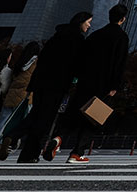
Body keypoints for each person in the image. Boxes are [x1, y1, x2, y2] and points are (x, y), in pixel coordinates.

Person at [16, 12, 91, 163]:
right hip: (57, 83)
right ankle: (30, 152)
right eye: (88, 22)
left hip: (40, 82)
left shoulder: (55, 37)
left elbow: (42, 59)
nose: (89, 25)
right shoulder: (77, 39)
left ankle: (15, 138)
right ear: (80, 22)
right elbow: (77, 64)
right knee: (45, 118)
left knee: (37, 114)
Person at [63, 4, 129, 164]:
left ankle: (58, 138)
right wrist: (115, 86)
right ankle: (77, 153)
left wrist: (78, 77)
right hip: (104, 84)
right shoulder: (121, 37)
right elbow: (120, 63)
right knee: (93, 117)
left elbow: (81, 58)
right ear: (123, 19)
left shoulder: (96, 35)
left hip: (86, 81)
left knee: (75, 112)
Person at [0, 41, 40, 160]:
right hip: (25, 96)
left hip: (11, 96)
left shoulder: (19, 62)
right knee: (23, 125)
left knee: (1, 125)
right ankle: (11, 144)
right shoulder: (36, 63)